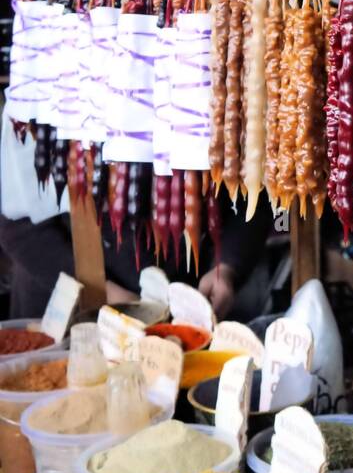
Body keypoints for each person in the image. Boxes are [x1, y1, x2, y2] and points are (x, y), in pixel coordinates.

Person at [0, 106, 269, 319]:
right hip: (66, 314)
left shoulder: (200, 67)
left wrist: (228, 267)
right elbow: (17, 224)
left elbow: (252, 194)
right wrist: (99, 290)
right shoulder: (49, 77)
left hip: (181, 309)